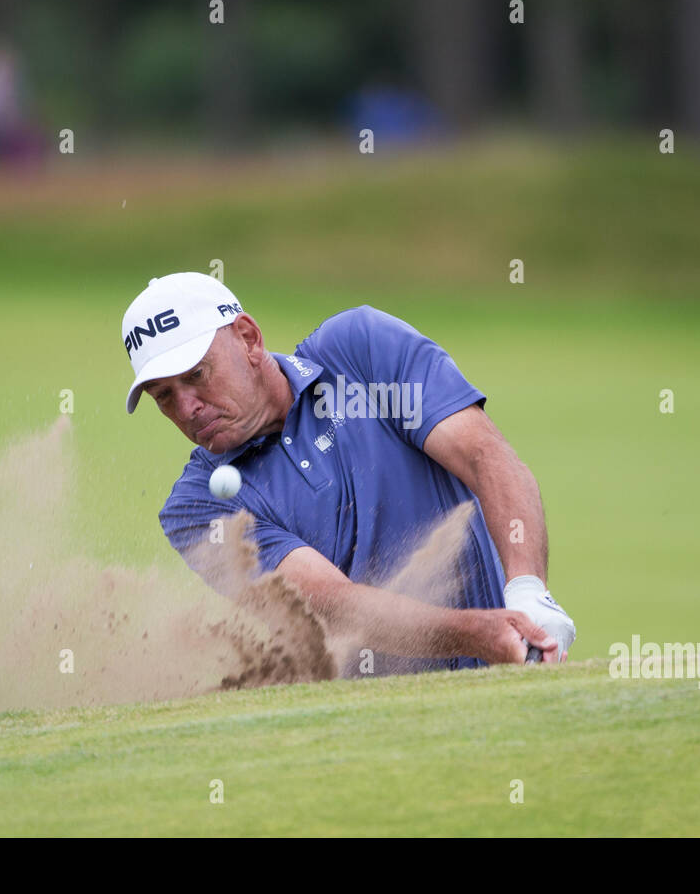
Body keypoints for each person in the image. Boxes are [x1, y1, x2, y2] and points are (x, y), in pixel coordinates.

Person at [122, 272, 576, 672]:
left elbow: (486, 457)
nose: (187, 409)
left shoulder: (358, 352)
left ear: (248, 338)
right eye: (163, 397)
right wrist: (478, 633)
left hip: (515, 678)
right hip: (381, 734)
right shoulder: (199, 507)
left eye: (197, 375)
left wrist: (529, 594)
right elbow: (332, 606)